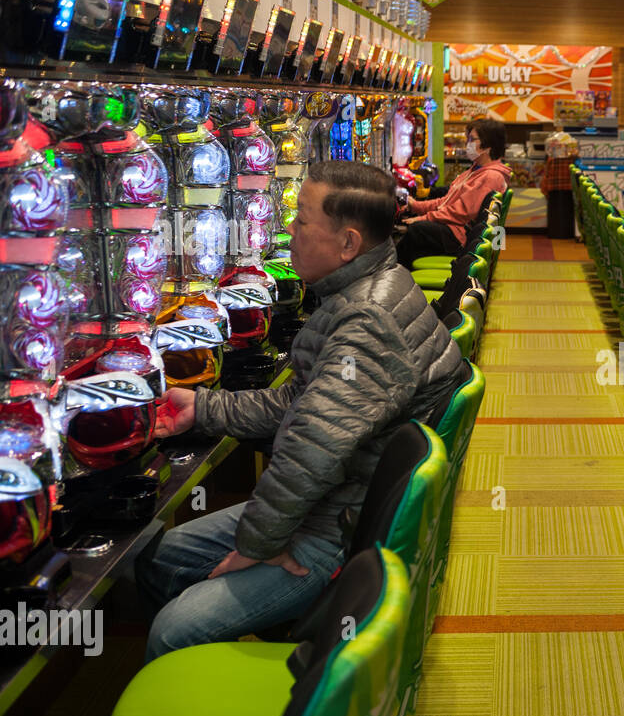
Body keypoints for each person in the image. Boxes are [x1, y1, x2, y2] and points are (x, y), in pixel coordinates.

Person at [138, 161, 464, 665]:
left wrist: (258, 543)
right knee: (163, 556)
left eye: (300, 221)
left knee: (171, 632)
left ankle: (259, 713)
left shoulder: (365, 321)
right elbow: (305, 405)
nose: (285, 232)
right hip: (333, 500)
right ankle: (239, 651)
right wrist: (201, 407)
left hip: (335, 529)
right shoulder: (368, 288)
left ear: (348, 243)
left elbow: (316, 444)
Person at [396, 118, 511, 266]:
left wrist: (423, 218)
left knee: (417, 231)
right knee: (414, 230)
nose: (467, 144)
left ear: (488, 145)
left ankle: (393, 274)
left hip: (462, 237)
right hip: (457, 229)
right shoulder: (475, 170)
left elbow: (461, 213)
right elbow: (446, 201)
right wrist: (416, 206)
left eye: (472, 139)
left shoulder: (490, 176)